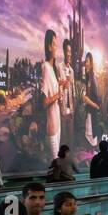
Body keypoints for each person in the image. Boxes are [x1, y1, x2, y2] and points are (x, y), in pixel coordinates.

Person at [40, 29, 65, 160]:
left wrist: (60, 85)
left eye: (57, 44)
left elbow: (54, 92)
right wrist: (57, 95)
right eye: (54, 44)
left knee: (57, 163)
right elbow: (44, 102)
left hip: (58, 122)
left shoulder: (52, 69)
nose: (56, 48)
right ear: (49, 47)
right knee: (56, 164)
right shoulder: (45, 67)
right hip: (52, 125)